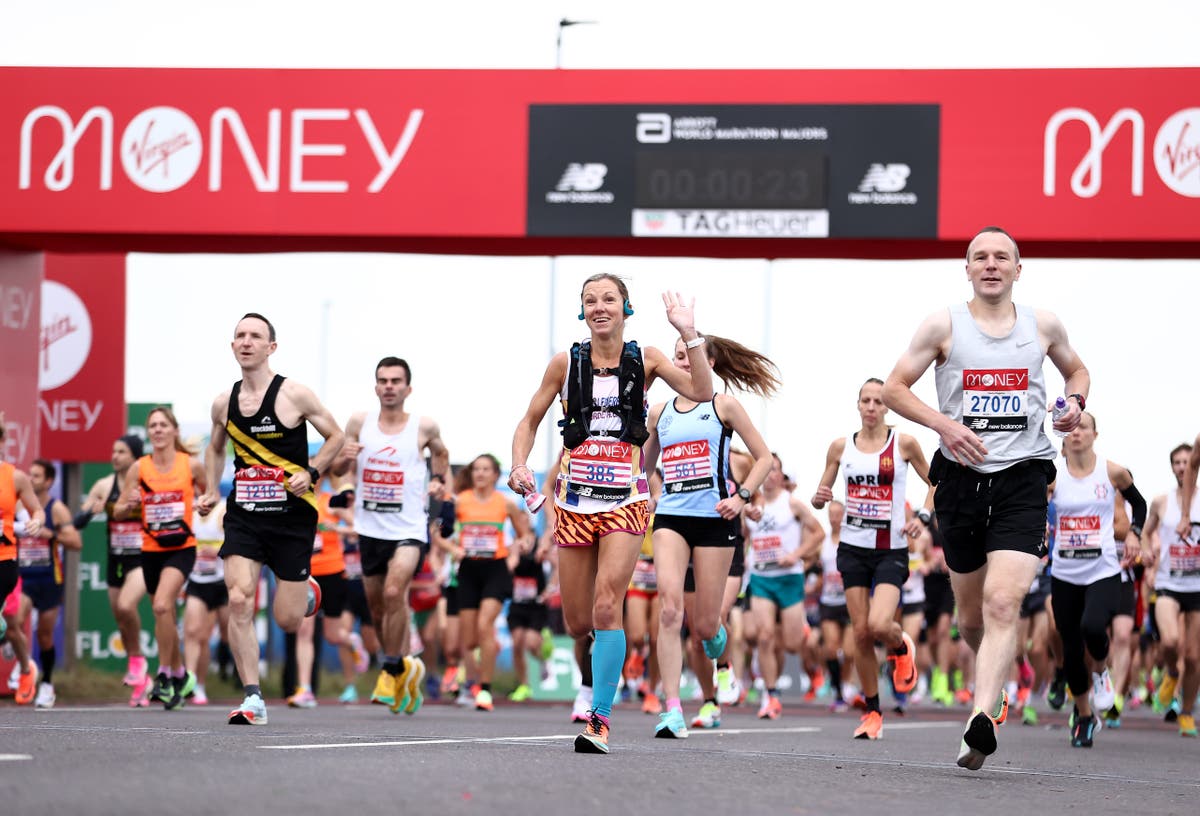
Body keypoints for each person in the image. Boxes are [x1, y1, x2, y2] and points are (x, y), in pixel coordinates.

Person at [882, 226, 1089, 770]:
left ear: (1019, 269)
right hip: (960, 480)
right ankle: (993, 679)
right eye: (980, 257)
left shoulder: (1042, 325)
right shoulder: (942, 325)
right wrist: (944, 425)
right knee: (972, 617)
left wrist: (1073, 403)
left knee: (1004, 603)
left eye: (1002, 257)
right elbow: (894, 388)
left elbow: (1077, 369)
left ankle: (978, 721)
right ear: (967, 269)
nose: (991, 264)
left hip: (1024, 476)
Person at [508, 276, 714, 754]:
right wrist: (520, 464)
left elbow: (702, 391)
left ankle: (599, 720)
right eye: (590, 301)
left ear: (626, 307)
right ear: (582, 311)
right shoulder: (566, 363)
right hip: (574, 500)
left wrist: (689, 334)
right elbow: (529, 420)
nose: (600, 307)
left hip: (626, 499)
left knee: (607, 607)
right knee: (579, 623)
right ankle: (601, 680)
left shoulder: (649, 358)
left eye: (609, 300)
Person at [197, 313, 344, 726]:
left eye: (255, 336)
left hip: (292, 517)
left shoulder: (295, 395)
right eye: (239, 336)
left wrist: (312, 471)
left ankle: (304, 587)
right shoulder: (223, 402)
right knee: (240, 598)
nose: (246, 342)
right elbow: (215, 447)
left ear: (271, 347)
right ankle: (253, 698)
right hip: (245, 515)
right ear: (233, 346)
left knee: (287, 619)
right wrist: (211, 488)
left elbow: (337, 437)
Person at [642, 333, 776, 739]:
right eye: (677, 356)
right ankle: (672, 709)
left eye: (690, 356)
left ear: (709, 364)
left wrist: (742, 496)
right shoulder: (659, 413)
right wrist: (648, 495)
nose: (682, 363)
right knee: (669, 610)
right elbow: (643, 467)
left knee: (706, 627)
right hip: (671, 519)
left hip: (716, 520)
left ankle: (724, 663)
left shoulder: (724, 406)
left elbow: (764, 458)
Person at [811, 378, 933, 739]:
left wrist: (922, 517)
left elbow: (935, 483)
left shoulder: (904, 444)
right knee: (861, 634)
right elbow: (822, 496)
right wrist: (820, 497)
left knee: (881, 625)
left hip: (890, 549)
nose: (871, 407)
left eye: (878, 401)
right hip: (851, 548)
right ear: (858, 405)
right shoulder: (840, 447)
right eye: (865, 400)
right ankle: (873, 712)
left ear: (887, 408)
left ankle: (900, 646)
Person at [331, 356, 447, 716]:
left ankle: (390, 666)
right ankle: (404, 666)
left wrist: (439, 481)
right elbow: (337, 471)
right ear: (375, 386)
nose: (389, 386)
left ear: (407, 388)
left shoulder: (423, 427)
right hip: (369, 529)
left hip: (410, 528)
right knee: (378, 608)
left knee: (396, 591)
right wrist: (343, 462)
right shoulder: (358, 423)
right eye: (383, 380)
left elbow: (442, 455)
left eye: (396, 381)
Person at [1048, 411, 1143, 747]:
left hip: (1102, 569)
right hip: (1064, 572)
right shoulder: (1054, 477)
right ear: (1064, 436)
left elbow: (1139, 505)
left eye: (1082, 427)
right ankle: (1084, 716)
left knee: (1093, 627)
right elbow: (1035, 510)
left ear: (1094, 434)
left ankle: (1102, 672)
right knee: (1071, 652)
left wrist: (1134, 533)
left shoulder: (1112, 471)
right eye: (1070, 428)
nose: (1076, 433)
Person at [116, 406, 208, 710]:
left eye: (163, 425)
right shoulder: (139, 468)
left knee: (160, 605)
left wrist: (205, 505)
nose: (157, 430)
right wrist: (127, 504)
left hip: (181, 547)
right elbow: (117, 510)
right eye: (152, 425)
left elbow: (209, 496)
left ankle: (165, 675)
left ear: (174, 431)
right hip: (151, 549)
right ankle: (182, 674)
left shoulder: (191, 465)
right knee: (163, 614)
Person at [448, 454, 531, 711]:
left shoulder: (504, 504)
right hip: (468, 569)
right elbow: (438, 534)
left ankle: (484, 689)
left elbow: (524, 534)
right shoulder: (460, 501)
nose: (480, 474)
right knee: (469, 638)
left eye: (486, 470)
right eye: (476, 470)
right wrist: (452, 548)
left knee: (485, 625)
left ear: (496, 474)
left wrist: (521, 546)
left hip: (496, 569)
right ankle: (470, 683)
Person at [745, 453, 825, 720]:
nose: (769, 475)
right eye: (765, 470)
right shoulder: (750, 504)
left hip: (789, 578)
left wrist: (796, 554)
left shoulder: (792, 504)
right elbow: (743, 538)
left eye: (774, 470)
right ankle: (771, 695)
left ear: (781, 476)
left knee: (790, 644)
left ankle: (807, 664)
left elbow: (819, 533)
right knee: (764, 636)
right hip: (761, 578)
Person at [78, 435, 152, 706]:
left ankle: (137, 662)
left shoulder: (145, 482)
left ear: (134, 457)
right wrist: (90, 512)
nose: (115, 456)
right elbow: (77, 522)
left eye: (121, 451)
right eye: (113, 450)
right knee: (121, 618)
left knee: (126, 605)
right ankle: (141, 676)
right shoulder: (104, 485)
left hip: (142, 557)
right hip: (116, 558)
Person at [9, 459, 80, 709]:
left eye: (37, 476)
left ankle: (47, 684)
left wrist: (52, 535)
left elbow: (76, 542)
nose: (31, 479)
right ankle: (24, 662)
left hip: (50, 577)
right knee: (14, 621)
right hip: (24, 574)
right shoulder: (18, 503)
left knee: (45, 635)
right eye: (30, 474)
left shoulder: (56, 508)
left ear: (49, 481)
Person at [0, 416, 46, 706]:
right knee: (7, 625)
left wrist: (36, 523)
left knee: (12, 625)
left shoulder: (14, 477)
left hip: (4, 561)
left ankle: (27, 669)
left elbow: (37, 511)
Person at [1163, 438, 1200, 736]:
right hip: (1167, 582)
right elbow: (1148, 531)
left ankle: (1186, 712)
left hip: (1196, 586)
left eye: (1187, 462)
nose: (1183, 467)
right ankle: (1170, 674)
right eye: (1177, 462)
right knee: (1170, 642)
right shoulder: (1162, 501)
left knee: (1193, 656)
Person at [183, 502, 229, 705]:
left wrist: (217, 549)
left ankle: (244, 681)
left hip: (223, 583)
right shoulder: (187, 511)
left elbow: (241, 543)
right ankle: (193, 684)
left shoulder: (223, 510)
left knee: (231, 635)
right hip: (198, 581)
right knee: (196, 634)